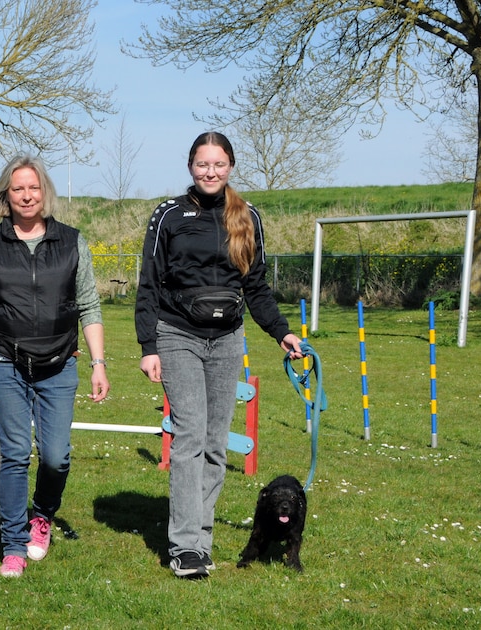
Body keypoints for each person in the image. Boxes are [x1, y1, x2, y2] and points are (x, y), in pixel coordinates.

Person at [135, 131, 303, 578]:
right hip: (178, 335)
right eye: (202, 164)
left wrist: (281, 333)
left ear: (230, 166)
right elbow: (148, 283)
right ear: (191, 166)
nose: (210, 172)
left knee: (215, 443)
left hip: (228, 339)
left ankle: (201, 538)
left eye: (219, 164)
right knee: (190, 436)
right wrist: (147, 346)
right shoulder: (168, 214)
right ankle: (185, 546)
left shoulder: (247, 216)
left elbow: (256, 287)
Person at [0, 154, 109, 578]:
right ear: (6, 195)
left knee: (56, 457)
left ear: (45, 192)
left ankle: (43, 515)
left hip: (59, 363)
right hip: (5, 361)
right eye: (18, 189)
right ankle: (14, 543)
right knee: (16, 452)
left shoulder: (73, 242)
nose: (26, 195)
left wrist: (98, 363)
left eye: (33, 187)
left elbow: (89, 305)